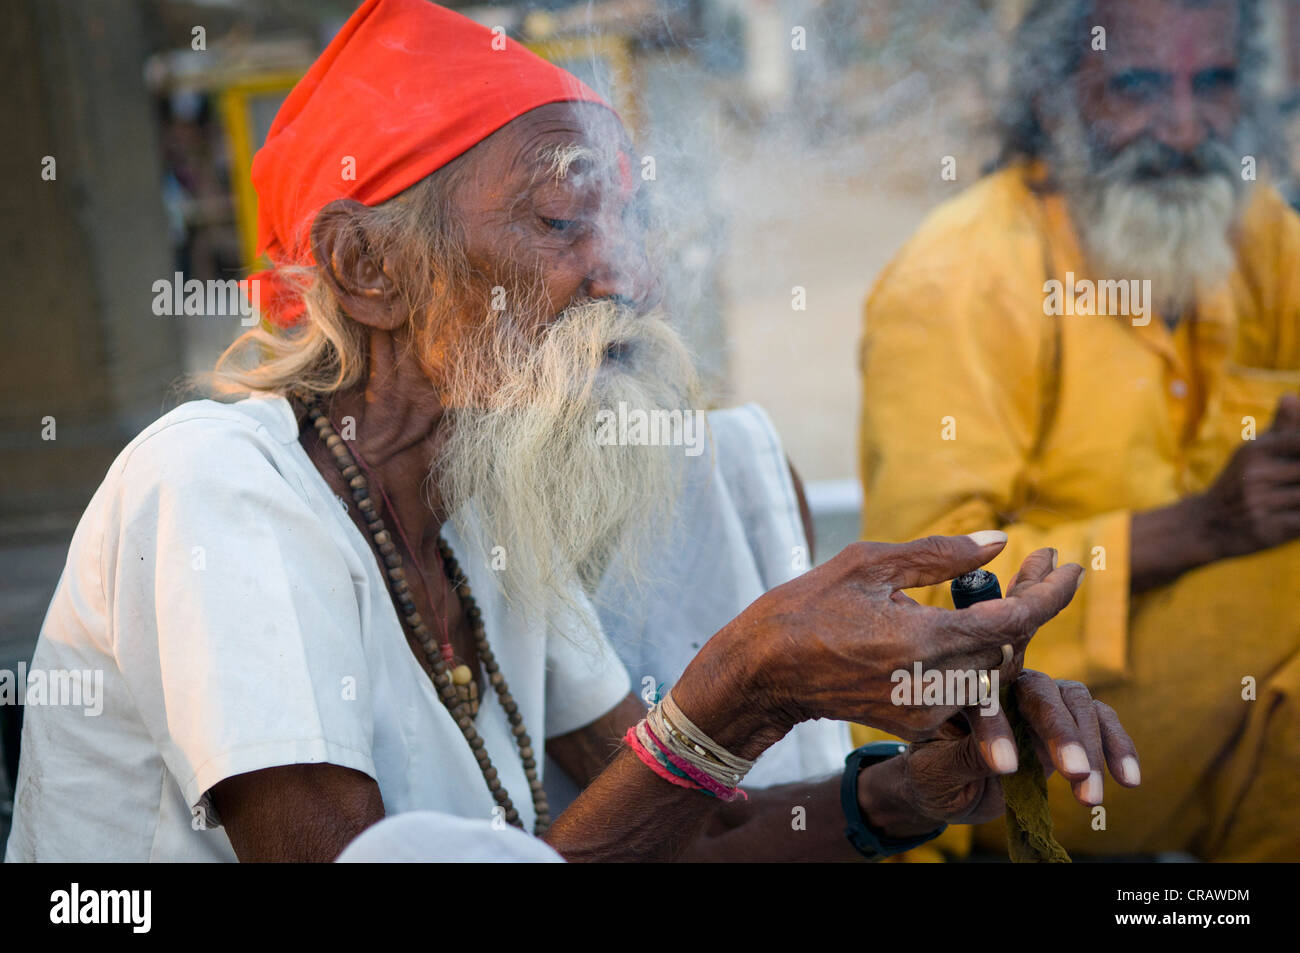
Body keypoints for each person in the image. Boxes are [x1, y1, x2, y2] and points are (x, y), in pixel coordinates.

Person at [7, 0, 1136, 863]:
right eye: (560, 220)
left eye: (626, 217)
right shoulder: (213, 485)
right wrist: (743, 679)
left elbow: (682, 832)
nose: (629, 273)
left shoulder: (478, 513)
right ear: (367, 269)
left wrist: (907, 791)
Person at [858, 0, 1298, 860]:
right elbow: (912, 609)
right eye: (1136, 87)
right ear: (1054, 93)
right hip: (1030, 725)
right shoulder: (961, 276)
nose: (1180, 129)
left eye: (1211, 85)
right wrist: (1197, 528)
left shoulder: (1255, 232)